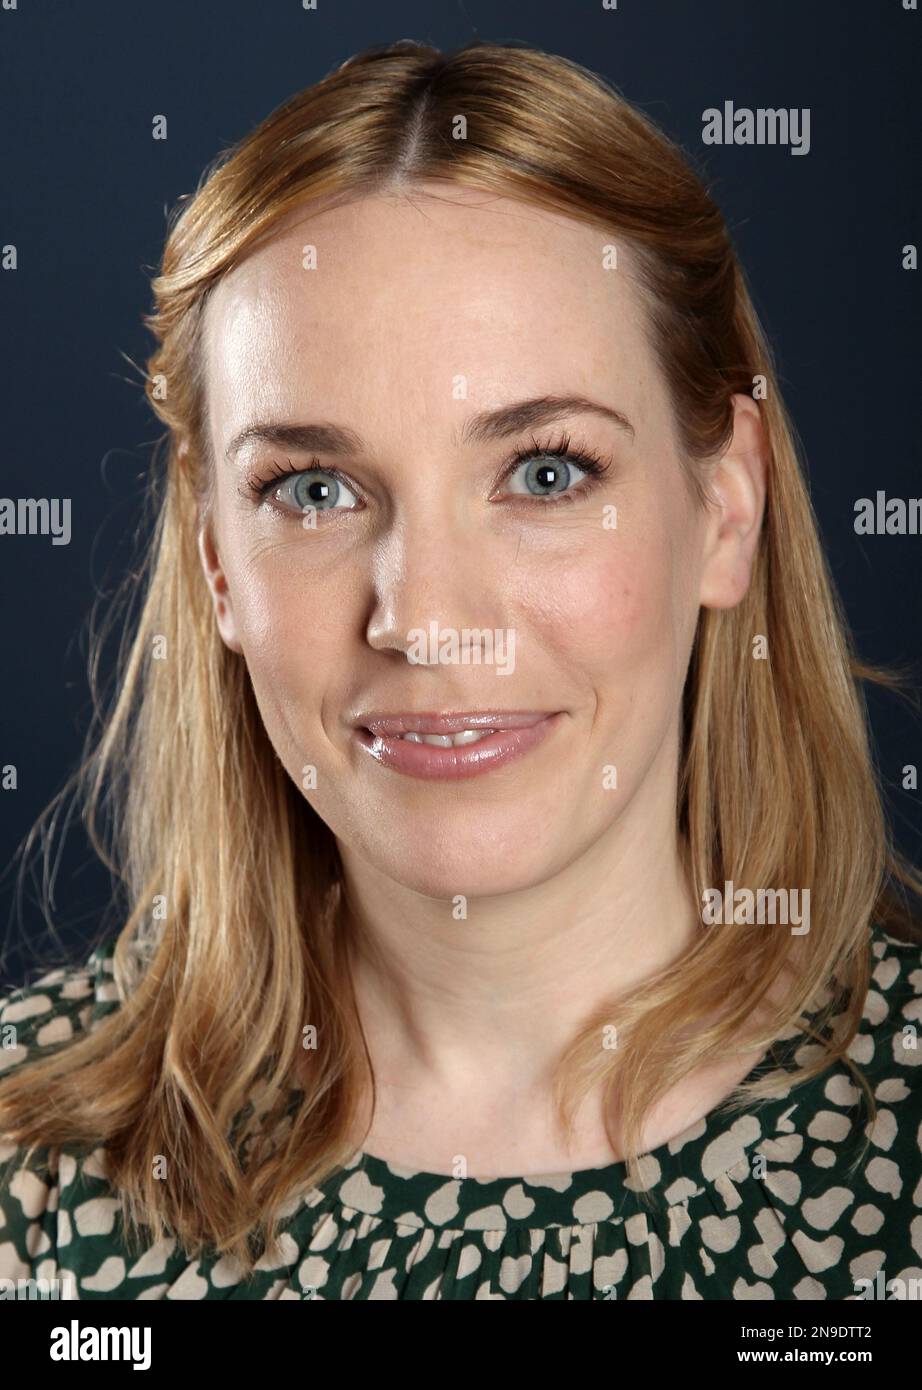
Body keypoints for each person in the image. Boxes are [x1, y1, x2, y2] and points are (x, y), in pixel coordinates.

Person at [1, 38, 920, 1301]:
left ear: (724, 504)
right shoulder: (31, 1176)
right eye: (313, 489)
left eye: (546, 472)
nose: (426, 620)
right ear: (217, 560)